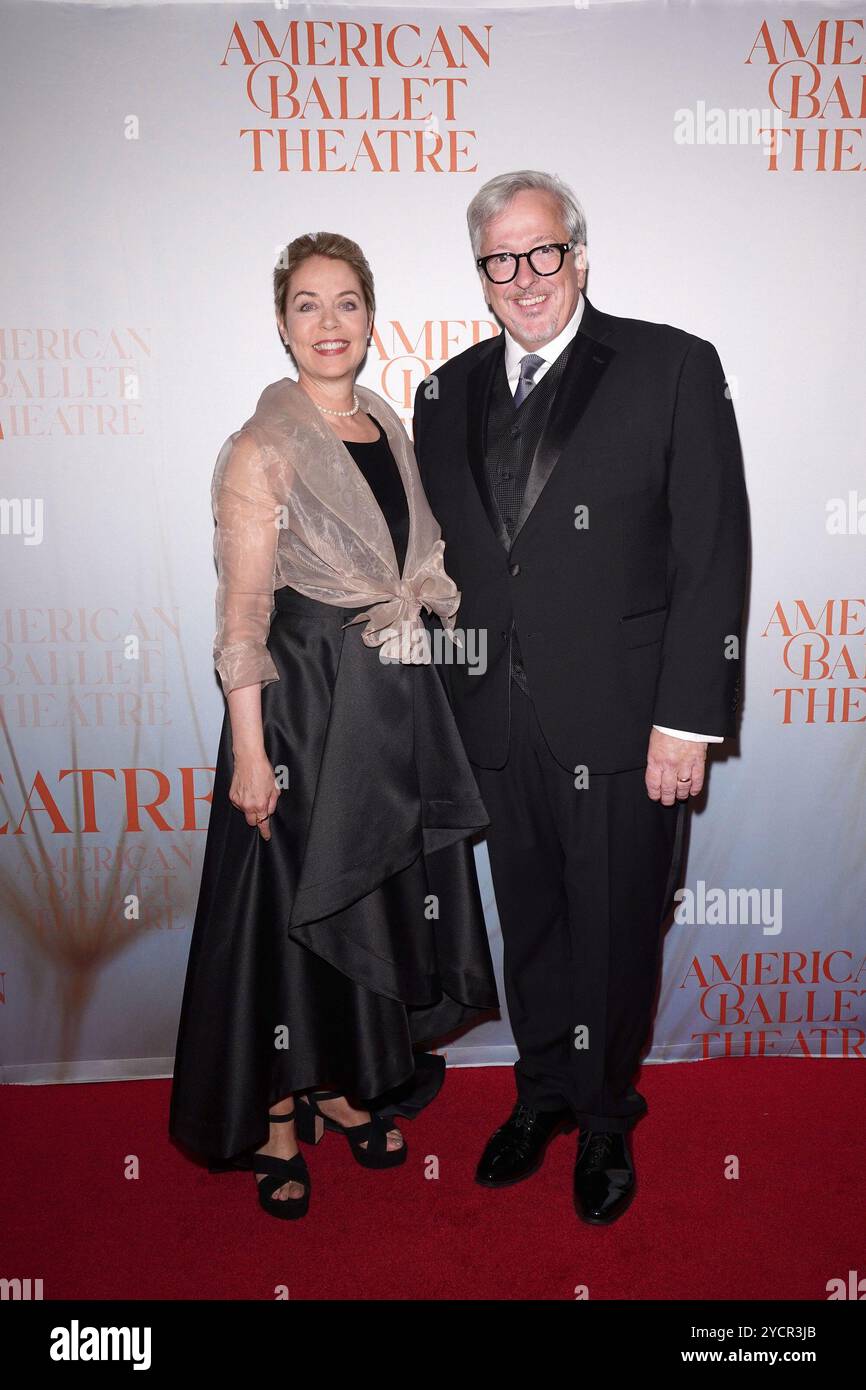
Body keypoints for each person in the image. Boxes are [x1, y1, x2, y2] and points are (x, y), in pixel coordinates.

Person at [413, 170, 749, 1224]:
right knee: (535, 925)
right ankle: (541, 1091)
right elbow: (445, 566)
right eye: (500, 260)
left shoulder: (671, 366)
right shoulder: (443, 391)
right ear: (482, 274)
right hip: (495, 726)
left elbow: (711, 553)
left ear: (578, 255)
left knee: (612, 929)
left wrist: (685, 720)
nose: (524, 278)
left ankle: (604, 1118)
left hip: (623, 720)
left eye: (542, 252)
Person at [169, 232, 498, 1219]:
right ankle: (276, 1110)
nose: (327, 324)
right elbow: (243, 612)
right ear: (280, 323)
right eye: (306, 305)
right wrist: (249, 749)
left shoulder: (385, 424)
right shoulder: (259, 446)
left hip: (386, 699)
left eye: (345, 303)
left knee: (367, 897)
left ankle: (340, 1082)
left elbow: (410, 573)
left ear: (368, 317)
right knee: (286, 909)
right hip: (299, 709)